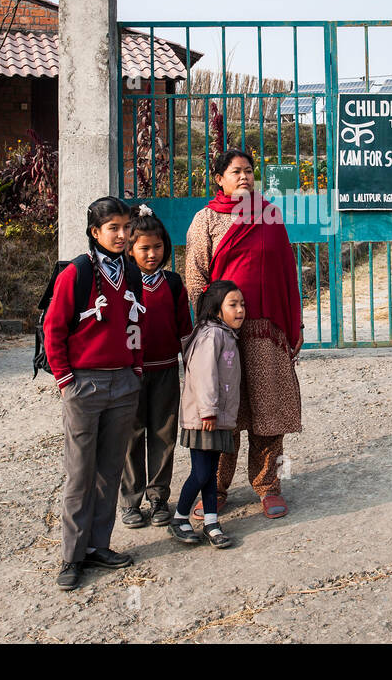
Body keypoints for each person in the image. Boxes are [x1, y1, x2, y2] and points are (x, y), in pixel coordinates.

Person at [185, 148, 303, 520]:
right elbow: (195, 278)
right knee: (223, 411)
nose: (244, 177)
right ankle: (215, 487)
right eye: (235, 171)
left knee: (269, 409)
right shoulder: (205, 220)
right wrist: (208, 329)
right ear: (218, 178)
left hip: (266, 334)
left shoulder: (270, 216)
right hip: (224, 336)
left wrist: (292, 323)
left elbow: (286, 273)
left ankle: (269, 486)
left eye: (249, 171)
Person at [44, 196, 144, 590]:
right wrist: (66, 379)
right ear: (95, 232)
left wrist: (135, 368)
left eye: (125, 227)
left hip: (123, 383)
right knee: (79, 473)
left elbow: (136, 323)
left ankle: (99, 546)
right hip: (84, 383)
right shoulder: (77, 272)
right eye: (113, 228)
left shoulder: (131, 272)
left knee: (110, 470)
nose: (122, 235)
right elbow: (54, 329)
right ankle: (71, 557)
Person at [119, 203, 193, 529]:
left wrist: (191, 367)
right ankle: (131, 501)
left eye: (158, 247)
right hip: (129, 373)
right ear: (130, 249)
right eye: (144, 248)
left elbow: (184, 330)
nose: (152, 254)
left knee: (164, 434)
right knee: (130, 436)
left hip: (165, 371)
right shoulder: (119, 285)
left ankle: (159, 496)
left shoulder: (174, 284)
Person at [169, 280, 246, 549]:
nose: (240, 310)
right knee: (201, 473)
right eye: (233, 305)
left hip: (215, 418)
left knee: (209, 473)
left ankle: (211, 522)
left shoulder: (225, 334)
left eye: (242, 304)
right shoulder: (211, 335)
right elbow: (204, 376)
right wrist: (209, 411)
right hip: (204, 418)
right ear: (215, 310)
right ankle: (179, 517)